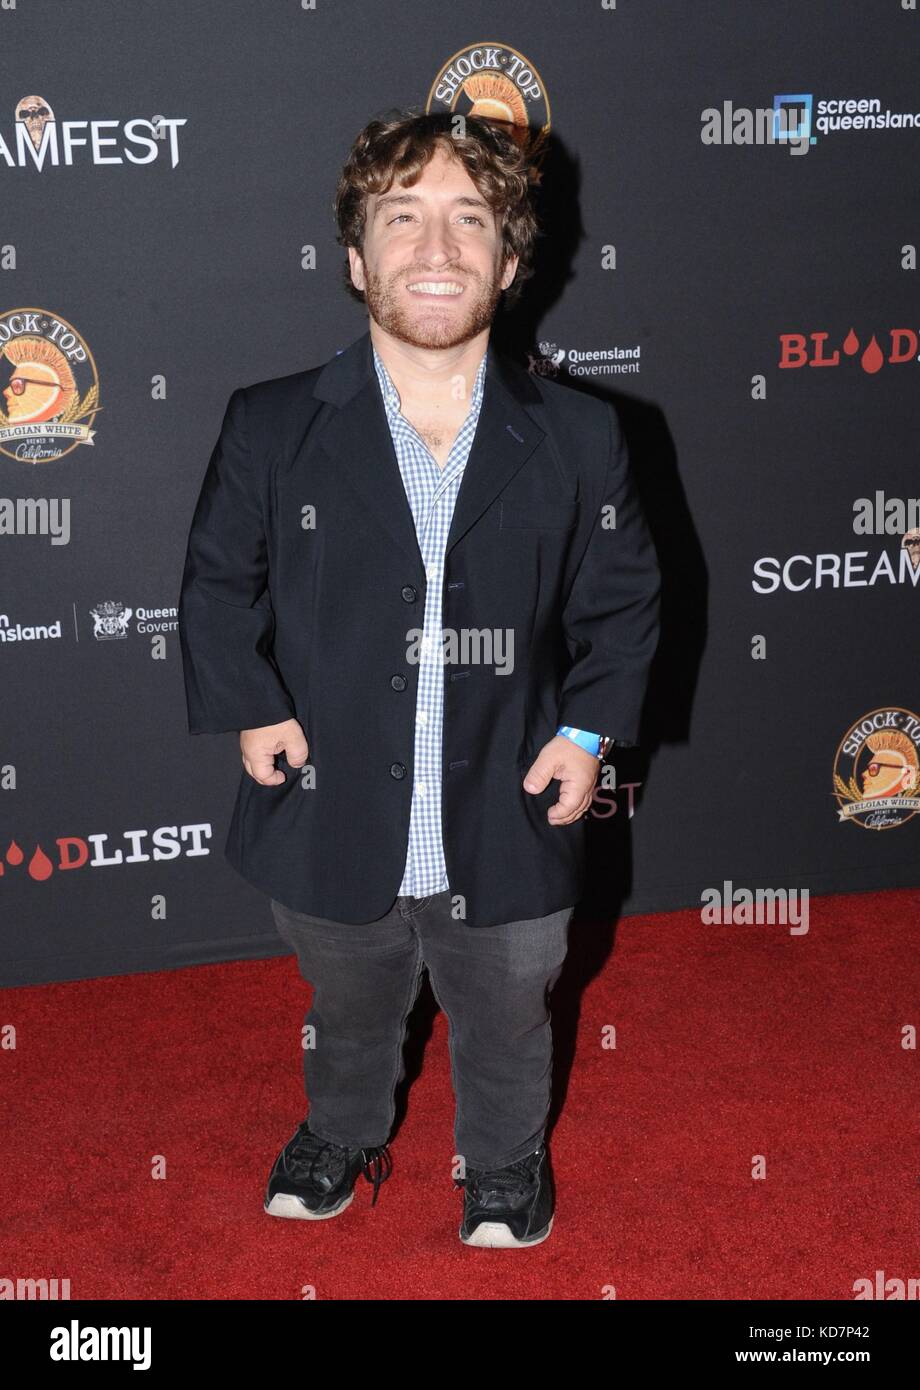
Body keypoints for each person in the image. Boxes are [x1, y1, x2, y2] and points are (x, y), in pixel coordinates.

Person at [178, 110, 661, 1248]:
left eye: (469, 221)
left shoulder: (585, 438)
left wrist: (588, 736)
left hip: (507, 811)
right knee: (347, 1008)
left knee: (505, 1016)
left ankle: (499, 1163)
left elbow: (624, 605)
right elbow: (212, 586)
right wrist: (251, 708)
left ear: (509, 260)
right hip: (328, 806)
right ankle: (343, 1128)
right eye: (403, 219)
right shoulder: (271, 425)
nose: (436, 250)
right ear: (355, 258)